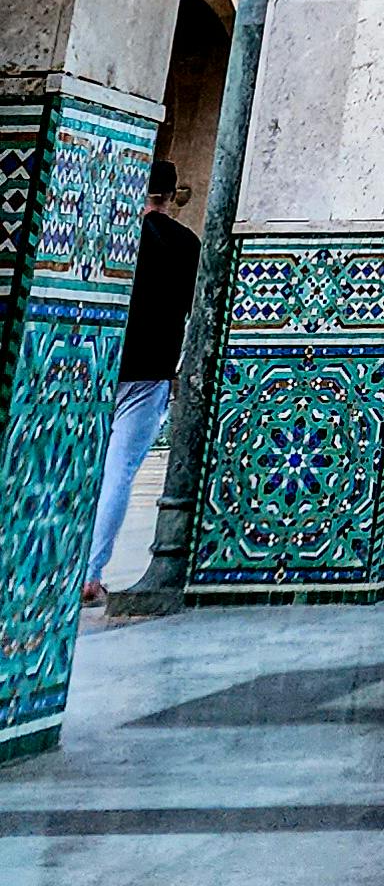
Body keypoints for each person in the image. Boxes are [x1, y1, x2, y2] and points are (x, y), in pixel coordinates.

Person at [83, 159, 199, 608]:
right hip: (149, 373)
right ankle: (91, 576)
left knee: (83, 469)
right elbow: (195, 310)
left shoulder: (113, 238)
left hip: (94, 364)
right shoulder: (185, 244)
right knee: (119, 474)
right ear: (173, 196)